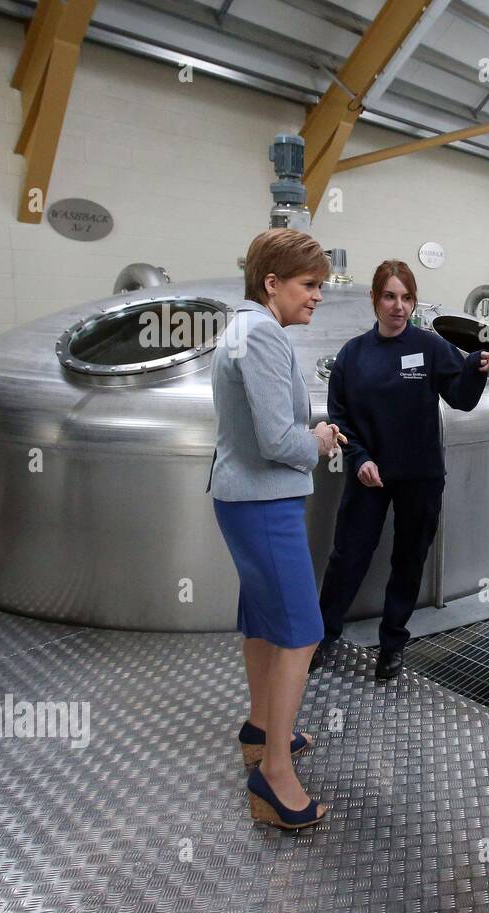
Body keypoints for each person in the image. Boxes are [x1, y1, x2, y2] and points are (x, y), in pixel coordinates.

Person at [312, 260, 489, 679]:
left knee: (409, 559)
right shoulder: (354, 355)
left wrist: (476, 371)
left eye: (407, 297)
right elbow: (338, 415)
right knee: (349, 555)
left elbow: (462, 399)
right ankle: (322, 635)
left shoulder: (431, 347)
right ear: (375, 299)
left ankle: (392, 644)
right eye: (390, 296)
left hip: (420, 475)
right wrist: (359, 459)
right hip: (369, 475)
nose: (399, 306)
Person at [209, 227, 340, 830]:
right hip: (265, 503)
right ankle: (275, 773)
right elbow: (275, 440)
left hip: (243, 498)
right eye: (309, 285)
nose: (317, 296)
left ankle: (261, 727)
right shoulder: (261, 335)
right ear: (272, 284)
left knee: (264, 619)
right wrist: (315, 439)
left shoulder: (242, 328)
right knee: (300, 632)